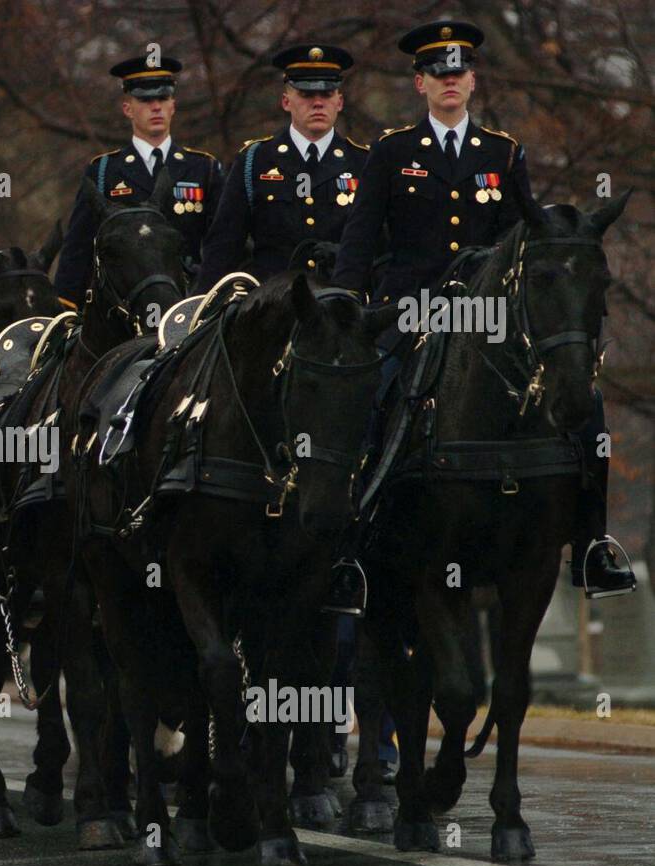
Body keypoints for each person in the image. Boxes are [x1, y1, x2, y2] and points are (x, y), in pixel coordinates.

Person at [330, 18, 634, 608]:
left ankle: (593, 543)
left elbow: (518, 240)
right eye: (438, 74)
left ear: (472, 81)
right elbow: (361, 241)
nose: (450, 82)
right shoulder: (391, 152)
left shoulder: (504, 153)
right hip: (411, 310)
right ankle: (351, 541)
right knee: (370, 394)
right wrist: (348, 303)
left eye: (460, 72)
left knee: (586, 401)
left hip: (486, 314)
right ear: (420, 83)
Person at [53, 54, 224, 308]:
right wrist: (65, 309)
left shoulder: (202, 168)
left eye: (163, 98)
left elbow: (221, 243)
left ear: (173, 105)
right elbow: (78, 250)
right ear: (127, 109)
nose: (156, 107)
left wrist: (210, 298)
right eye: (145, 99)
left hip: (191, 304)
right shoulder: (104, 172)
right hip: (125, 307)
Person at [194, 44, 369, 290]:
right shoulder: (255, 160)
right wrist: (201, 306)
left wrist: (345, 254)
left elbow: (380, 242)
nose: (318, 103)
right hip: (270, 307)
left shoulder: (363, 162)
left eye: (327, 94)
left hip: (341, 302)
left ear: (339, 102)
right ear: (286, 101)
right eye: (307, 95)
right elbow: (224, 244)